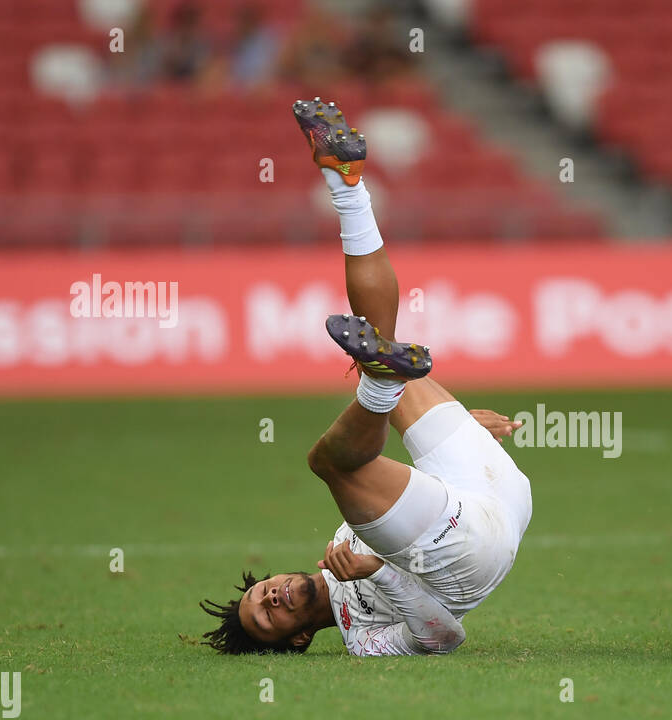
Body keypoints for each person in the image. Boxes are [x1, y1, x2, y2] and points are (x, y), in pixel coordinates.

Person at [199, 98, 533, 655]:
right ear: (299, 637)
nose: (273, 597)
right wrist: (374, 575)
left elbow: (407, 493)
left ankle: (346, 182)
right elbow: (444, 637)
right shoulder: (363, 640)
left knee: (379, 348)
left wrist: (468, 437)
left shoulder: (340, 539)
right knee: (327, 459)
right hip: (474, 555)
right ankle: (381, 380)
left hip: (487, 491)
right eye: (270, 616)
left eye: (261, 591)